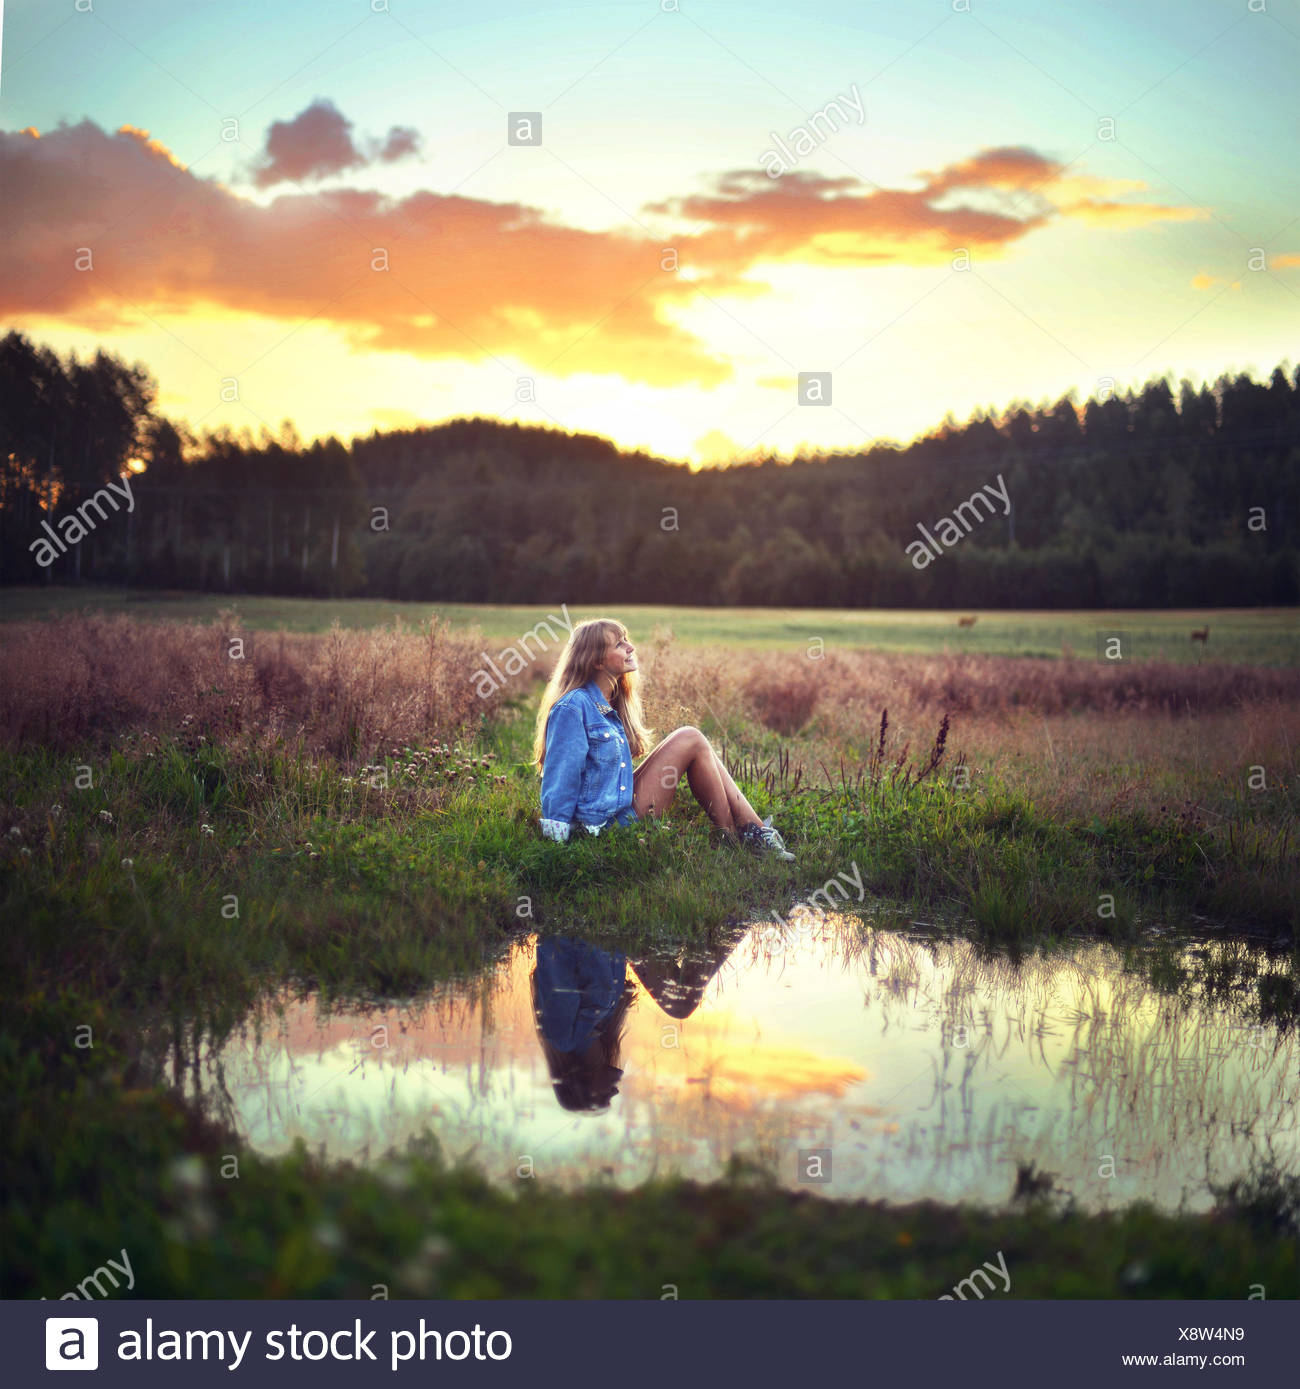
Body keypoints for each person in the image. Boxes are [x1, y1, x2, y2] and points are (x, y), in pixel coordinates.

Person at [530, 617, 795, 859]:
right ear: (597, 661)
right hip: (604, 828)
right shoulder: (573, 707)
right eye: (619, 644)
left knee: (696, 741)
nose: (630, 647)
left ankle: (751, 833)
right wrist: (557, 846)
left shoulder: (607, 700)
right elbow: (561, 777)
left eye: (627, 640)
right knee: (690, 737)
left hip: (617, 808)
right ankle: (739, 839)